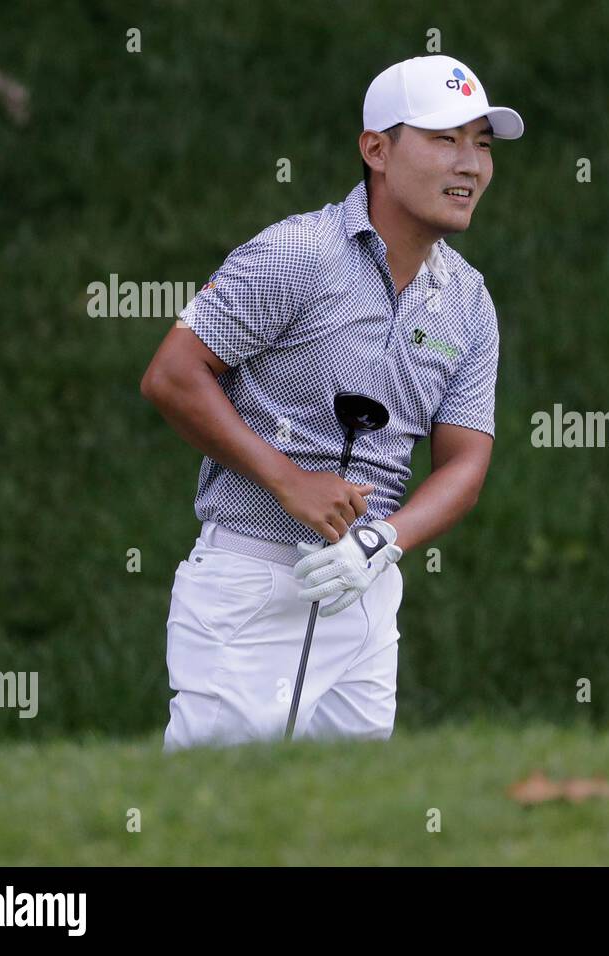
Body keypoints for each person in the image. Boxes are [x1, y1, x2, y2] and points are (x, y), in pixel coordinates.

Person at [139, 55, 523, 750]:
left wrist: (385, 539)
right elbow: (173, 375)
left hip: (367, 592)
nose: (470, 164)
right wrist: (289, 480)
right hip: (251, 585)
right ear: (376, 149)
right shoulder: (298, 253)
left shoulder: (469, 301)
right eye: (445, 139)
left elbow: (465, 465)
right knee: (217, 830)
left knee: (348, 828)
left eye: (482, 143)